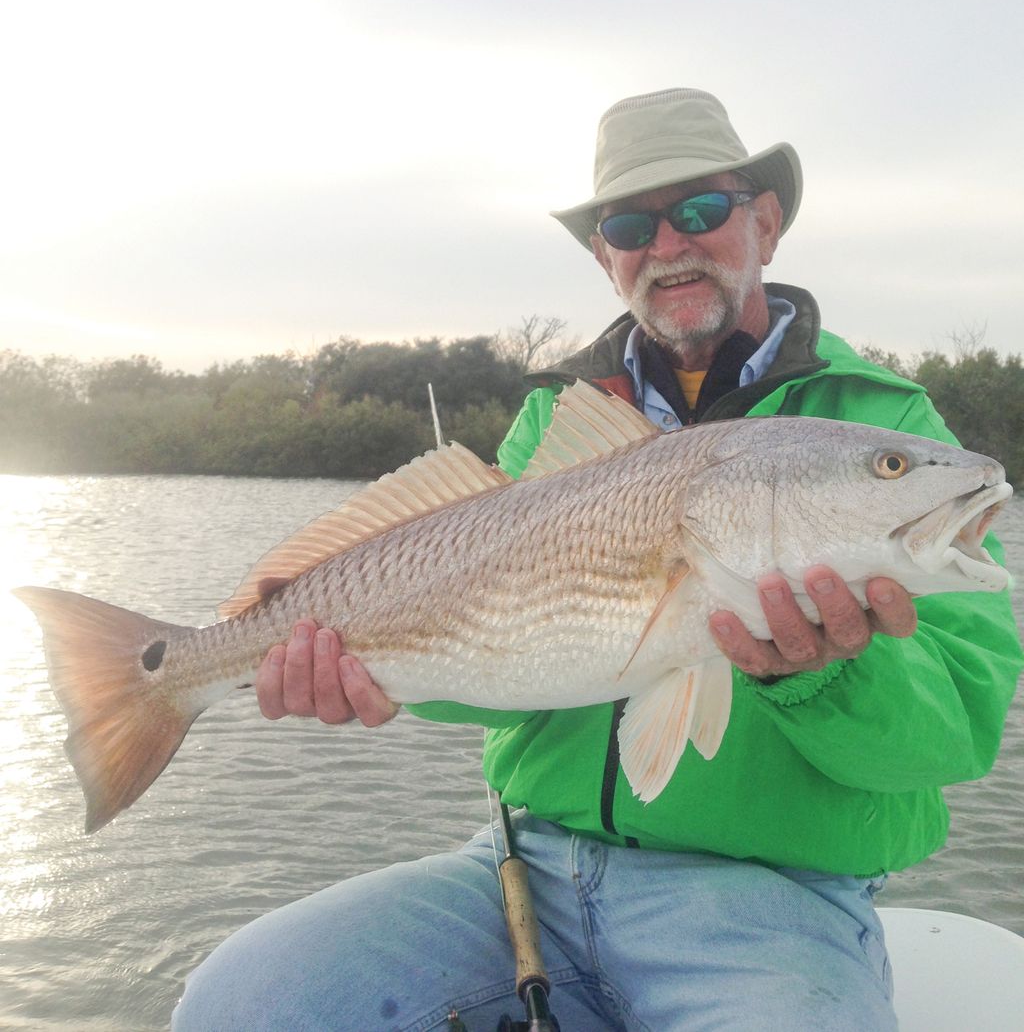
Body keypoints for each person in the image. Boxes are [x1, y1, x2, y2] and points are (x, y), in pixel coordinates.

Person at [173, 88, 1022, 1031]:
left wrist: (816, 679)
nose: (668, 245)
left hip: (770, 901)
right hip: (516, 871)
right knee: (237, 1002)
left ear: (767, 222)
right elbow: (506, 658)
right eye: (631, 224)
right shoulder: (554, 426)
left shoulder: (882, 419)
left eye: (702, 210)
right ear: (603, 256)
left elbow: (957, 732)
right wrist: (367, 674)